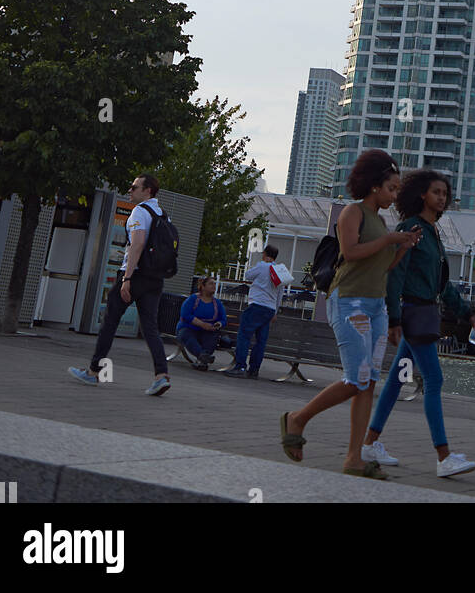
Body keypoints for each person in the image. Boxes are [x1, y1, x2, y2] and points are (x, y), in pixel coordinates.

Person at [280, 151, 421, 478]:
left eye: (398, 189)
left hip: (376, 306)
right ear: (374, 186)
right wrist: (389, 239)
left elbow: (382, 267)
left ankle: (354, 458)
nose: (395, 195)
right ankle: (298, 418)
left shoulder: (382, 221)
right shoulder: (352, 213)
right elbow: (351, 253)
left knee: (368, 383)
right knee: (356, 379)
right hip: (350, 303)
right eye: (391, 188)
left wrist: (402, 247)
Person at [362, 169, 475, 478]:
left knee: (397, 380)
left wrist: (468, 313)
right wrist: (395, 318)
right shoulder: (412, 228)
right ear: (422, 195)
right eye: (436, 192)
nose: (442, 198)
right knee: (435, 380)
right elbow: (395, 273)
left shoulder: (432, 233)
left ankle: (370, 443)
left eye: (445, 193)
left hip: (424, 313)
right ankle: (443, 457)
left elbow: (443, 285)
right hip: (415, 315)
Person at [69, 174, 171, 396]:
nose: (130, 190)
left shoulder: (139, 212)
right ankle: (161, 376)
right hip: (155, 278)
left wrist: (127, 279)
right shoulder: (163, 215)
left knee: (110, 321)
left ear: (148, 191)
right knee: (150, 327)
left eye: (134, 187)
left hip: (135, 274)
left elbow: (137, 244)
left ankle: (94, 372)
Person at [223, 245, 285, 377]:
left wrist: (259, 264)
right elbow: (280, 293)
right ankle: (254, 369)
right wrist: (275, 311)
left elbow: (248, 275)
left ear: (264, 254)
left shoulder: (262, 266)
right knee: (261, 341)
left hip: (257, 305)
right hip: (270, 309)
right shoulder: (280, 270)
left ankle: (240, 367)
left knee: (244, 335)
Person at [176, 276, 228, 369]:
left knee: (213, 336)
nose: (214, 286)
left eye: (214, 284)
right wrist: (202, 324)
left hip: (208, 330)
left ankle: (202, 360)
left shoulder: (217, 303)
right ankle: (203, 357)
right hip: (189, 328)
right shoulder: (193, 299)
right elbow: (186, 314)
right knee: (186, 334)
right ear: (203, 287)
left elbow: (223, 319)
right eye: (211, 283)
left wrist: (218, 324)